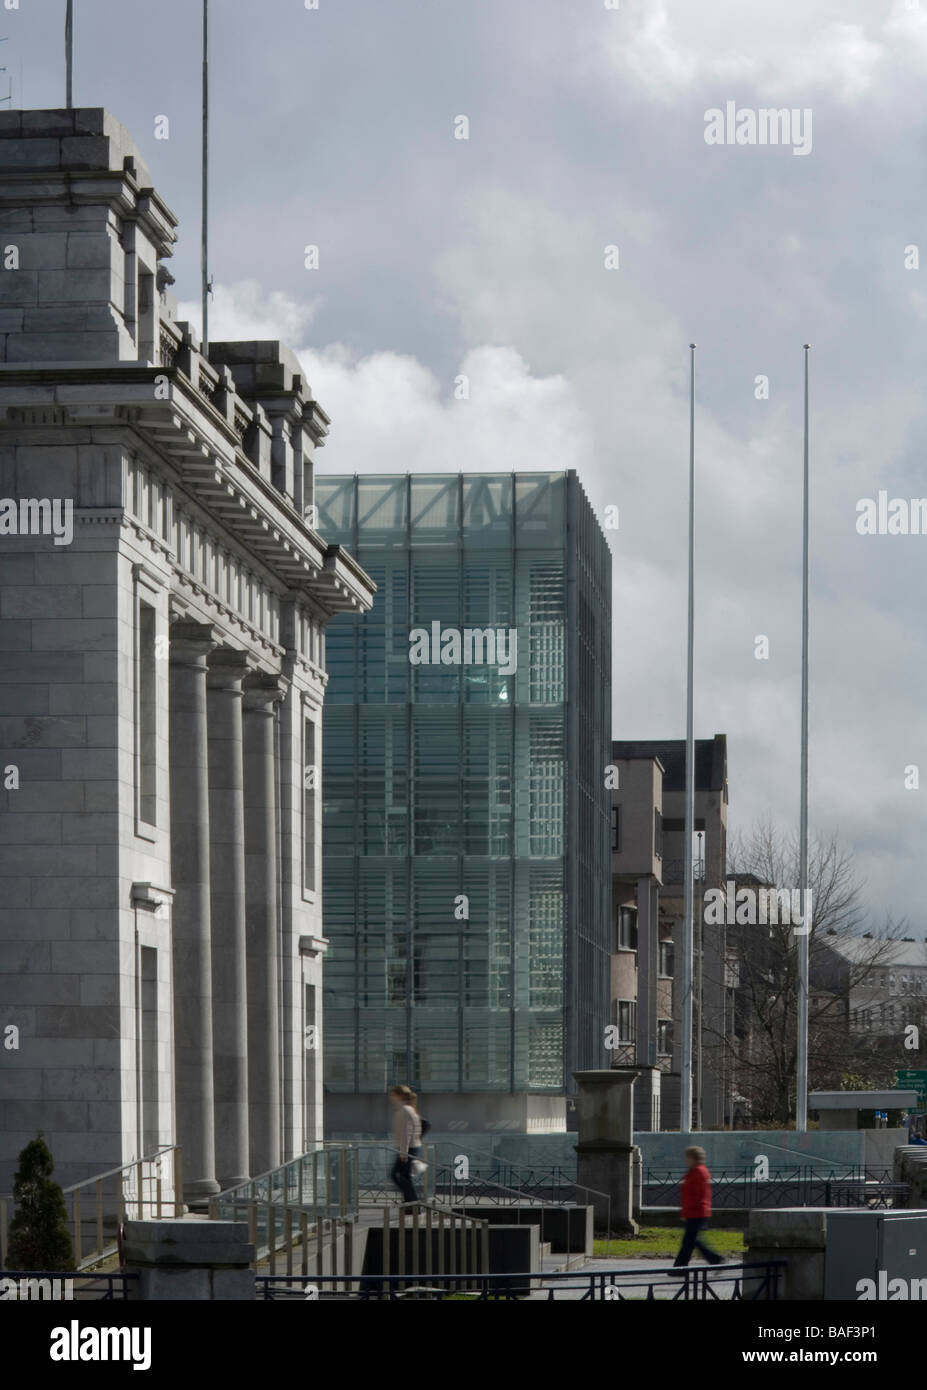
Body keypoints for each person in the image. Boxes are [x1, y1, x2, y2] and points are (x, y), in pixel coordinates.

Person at [673, 1146, 724, 1268]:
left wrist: (688, 1211)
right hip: (695, 1212)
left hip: (697, 1212)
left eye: (688, 1157)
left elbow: (698, 1195)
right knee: (692, 1241)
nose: (686, 1160)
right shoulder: (695, 1171)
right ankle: (715, 1259)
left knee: (689, 1241)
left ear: (694, 1158)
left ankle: (679, 1267)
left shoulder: (699, 1172)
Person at [389, 1084, 423, 1205]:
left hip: (408, 1148)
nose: (391, 1097)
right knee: (403, 1177)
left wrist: (403, 1152)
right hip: (410, 1147)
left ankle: (413, 1202)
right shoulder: (408, 1109)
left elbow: (405, 1133)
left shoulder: (404, 1110)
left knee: (397, 1175)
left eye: (393, 1095)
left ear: (399, 1096)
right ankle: (411, 1202)